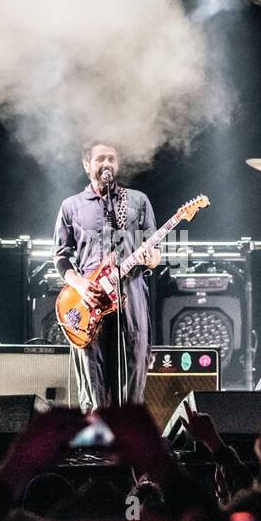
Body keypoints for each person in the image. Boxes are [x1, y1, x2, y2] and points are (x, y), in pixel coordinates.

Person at [52, 139, 160, 410]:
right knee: (92, 371)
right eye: (100, 158)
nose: (107, 164)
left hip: (131, 292)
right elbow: (61, 258)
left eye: (112, 158)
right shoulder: (71, 206)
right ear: (87, 165)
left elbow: (156, 252)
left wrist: (151, 259)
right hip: (89, 297)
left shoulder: (138, 201)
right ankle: (96, 439)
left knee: (133, 366)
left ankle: (128, 439)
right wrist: (80, 285)